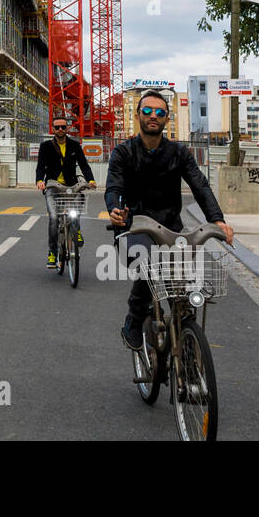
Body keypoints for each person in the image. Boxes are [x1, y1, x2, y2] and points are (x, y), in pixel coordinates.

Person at [105, 90, 234, 349]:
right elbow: (114, 188)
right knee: (148, 260)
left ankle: (184, 331)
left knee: (183, 283)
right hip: (134, 229)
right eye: (148, 111)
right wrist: (115, 209)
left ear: (167, 119)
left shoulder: (179, 153)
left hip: (171, 229)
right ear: (138, 115)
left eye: (160, 112)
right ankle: (135, 315)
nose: (154, 116)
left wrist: (217, 220)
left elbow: (200, 185)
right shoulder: (123, 152)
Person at [35, 117, 96, 269]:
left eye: (63, 127)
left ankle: (76, 228)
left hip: (71, 185)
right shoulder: (46, 146)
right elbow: (41, 167)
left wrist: (91, 180)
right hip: (53, 186)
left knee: (76, 209)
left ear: (67, 128)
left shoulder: (75, 145)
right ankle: (52, 253)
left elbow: (84, 165)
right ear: (53, 129)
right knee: (54, 218)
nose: (60, 130)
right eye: (57, 127)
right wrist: (39, 181)